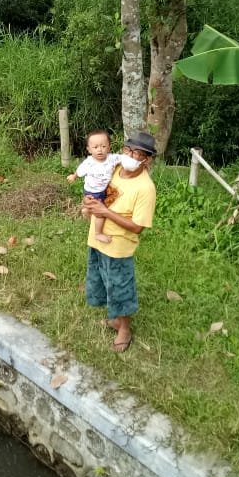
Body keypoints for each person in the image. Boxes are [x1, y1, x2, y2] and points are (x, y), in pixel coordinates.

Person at [82, 131, 157, 353]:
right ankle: (115, 319)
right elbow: (98, 189)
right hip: (98, 238)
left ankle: (124, 329)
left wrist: (105, 212)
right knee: (102, 279)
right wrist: (88, 203)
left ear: (147, 159)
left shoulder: (145, 188)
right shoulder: (114, 168)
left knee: (120, 287)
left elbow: (137, 227)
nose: (130, 155)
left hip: (118, 246)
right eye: (127, 150)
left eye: (137, 153)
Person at [66, 130, 138, 243]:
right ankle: (98, 233)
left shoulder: (112, 158)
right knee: (101, 213)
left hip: (103, 189)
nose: (100, 150)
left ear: (109, 147)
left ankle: (87, 210)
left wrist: (132, 159)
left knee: (99, 206)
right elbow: (80, 170)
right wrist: (74, 176)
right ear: (89, 149)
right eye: (95, 147)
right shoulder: (89, 162)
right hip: (93, 191)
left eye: (103, 146)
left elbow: (122, 158)